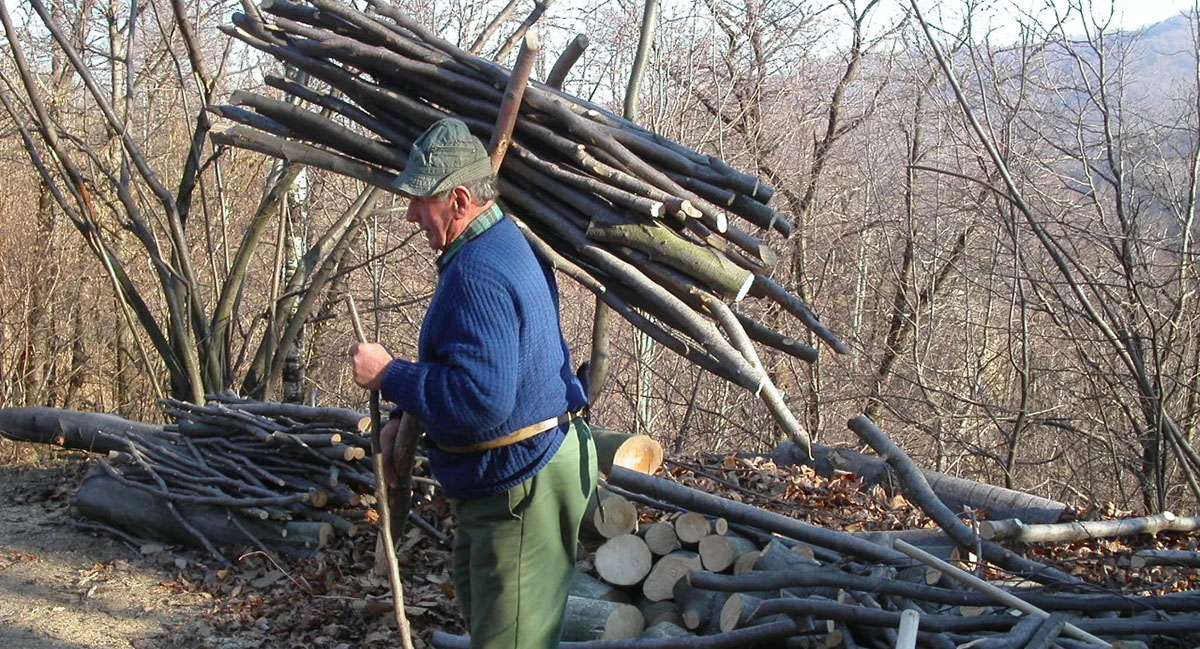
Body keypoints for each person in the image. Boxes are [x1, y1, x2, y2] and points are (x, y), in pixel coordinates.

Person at [350, 117, 597, 649]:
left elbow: (480, 400)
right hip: (515, 476)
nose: (413, 214)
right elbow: (467, 359)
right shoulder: (501, 243)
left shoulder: (478, 273)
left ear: (459, 200)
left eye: (423, 201)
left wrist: (389, 376)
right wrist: (402, 417)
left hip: (521, 486)